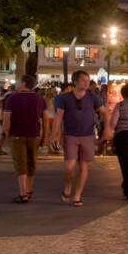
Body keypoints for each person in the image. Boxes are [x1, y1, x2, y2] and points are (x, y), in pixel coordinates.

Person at [52, 70, 104, 207]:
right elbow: (58, 117)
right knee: (69, 167)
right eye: (83, 80)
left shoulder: (92, 97)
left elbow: (104, 111)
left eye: (88, 80)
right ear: (75, 82)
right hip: (70, 135)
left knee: (83, 166)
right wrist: (54, 135)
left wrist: (109, 128)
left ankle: (77, 195)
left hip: (87, 136)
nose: (87, 83)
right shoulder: (65, 98)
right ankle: (68, 186)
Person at [1, 75, 46, 203]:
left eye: (18, 82)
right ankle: (29, 189)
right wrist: (45, 136)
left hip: (17, 134)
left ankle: (23, 193)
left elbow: (7, 119)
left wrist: (7, 133)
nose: (17, 84)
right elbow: (45, 120)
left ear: (23, 84)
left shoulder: (12, 98)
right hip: (34, 134)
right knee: (31, 162)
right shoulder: (39, 99)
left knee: (20, 163)